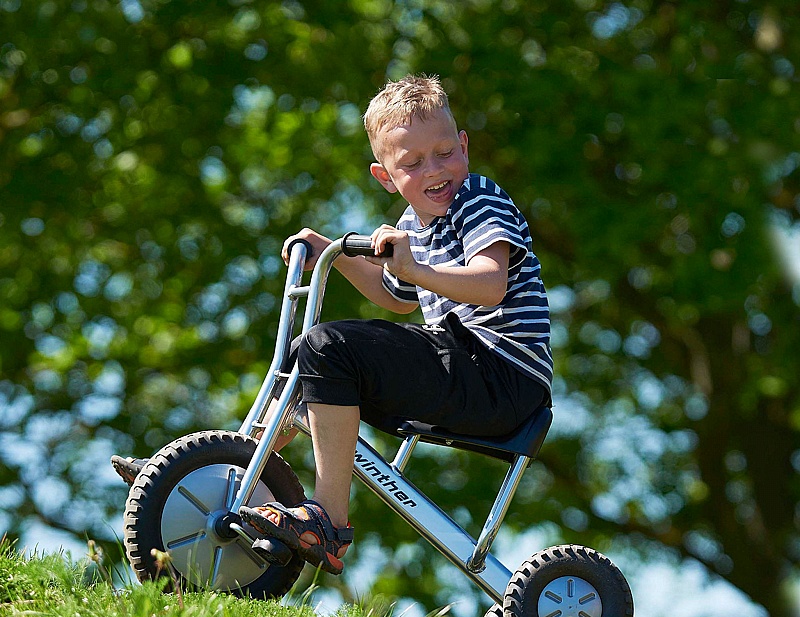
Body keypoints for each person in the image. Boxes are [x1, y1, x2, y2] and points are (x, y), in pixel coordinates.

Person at [113, 74, 552, 577]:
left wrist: (416, 269)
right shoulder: (412, 225)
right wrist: (332, 252)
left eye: (445, 152)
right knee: (313, 359)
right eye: (411, 163)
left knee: (329, 346)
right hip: (466, 369)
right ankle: (218, 477)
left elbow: (490, 283)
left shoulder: (478, 197)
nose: (435, 170)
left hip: (502, 373)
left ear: (465, 147)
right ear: (385, 176)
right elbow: (396, 298)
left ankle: (328, 520)